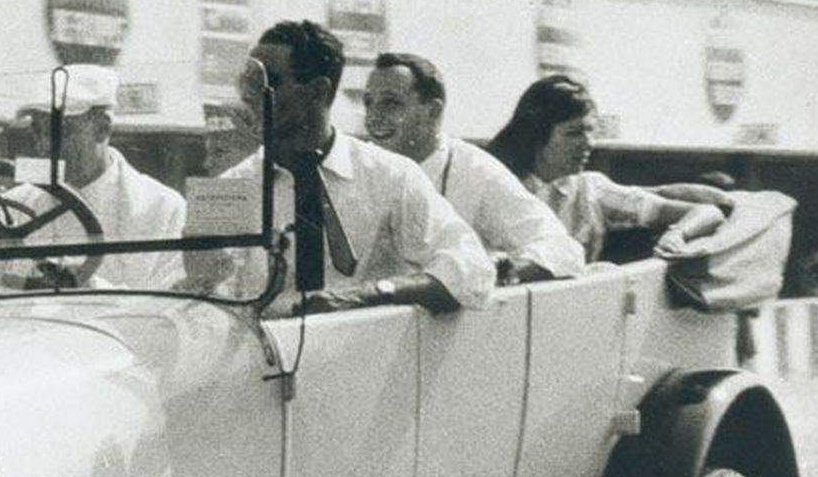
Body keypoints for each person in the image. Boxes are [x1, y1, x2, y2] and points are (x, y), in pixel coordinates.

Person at [197, 20, 494, 316]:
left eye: (266, 81)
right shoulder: (227, 187)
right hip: (265, 357)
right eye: (247, 81)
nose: (248, 95)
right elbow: (189, 295)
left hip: (366, 357)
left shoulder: (392, 176)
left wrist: (368, 295)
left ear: (318, 92)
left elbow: (472, 267)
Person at [0, 64, 186, 298]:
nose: (45, 144)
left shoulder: (162, 207)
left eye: (61, 131)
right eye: (39, 131)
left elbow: (169, 309)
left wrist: (88, 286)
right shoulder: (17, 203)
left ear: (102, 129)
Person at [362, 52, 585, 282]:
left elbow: (561, 249)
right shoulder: (362, 165)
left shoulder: (474, 171)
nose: (374, 117)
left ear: (433, 111)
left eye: (391, 103)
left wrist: (492, 271)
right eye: (369, 103)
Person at [490, 75, 728, 263]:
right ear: (536, 136)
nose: (588, 143)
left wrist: (677, 234)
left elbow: (708, 212)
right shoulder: (495, 186)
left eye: (590, 131)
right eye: (574, 133)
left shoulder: (591, 190)